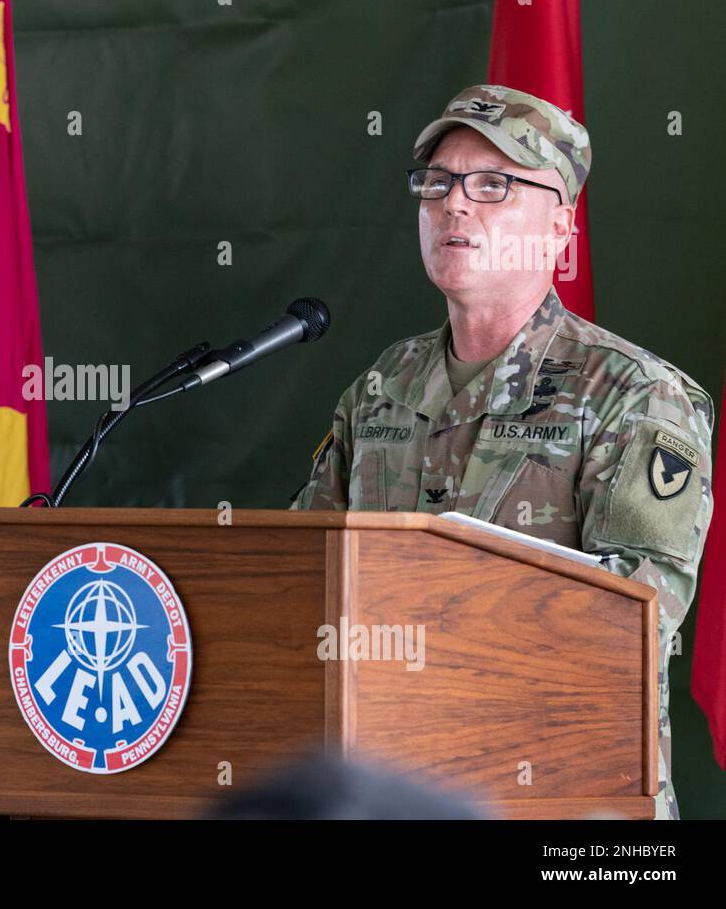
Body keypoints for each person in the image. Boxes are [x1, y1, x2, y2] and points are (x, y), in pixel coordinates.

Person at [293, 84, 715, 819]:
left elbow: (630, 625)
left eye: (493, 185)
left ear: (559, 228)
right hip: (388, 792)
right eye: (438, 184)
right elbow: (300, 577)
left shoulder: (636, 395)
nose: (454, 204)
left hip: (568, 803)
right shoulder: (381, 387)